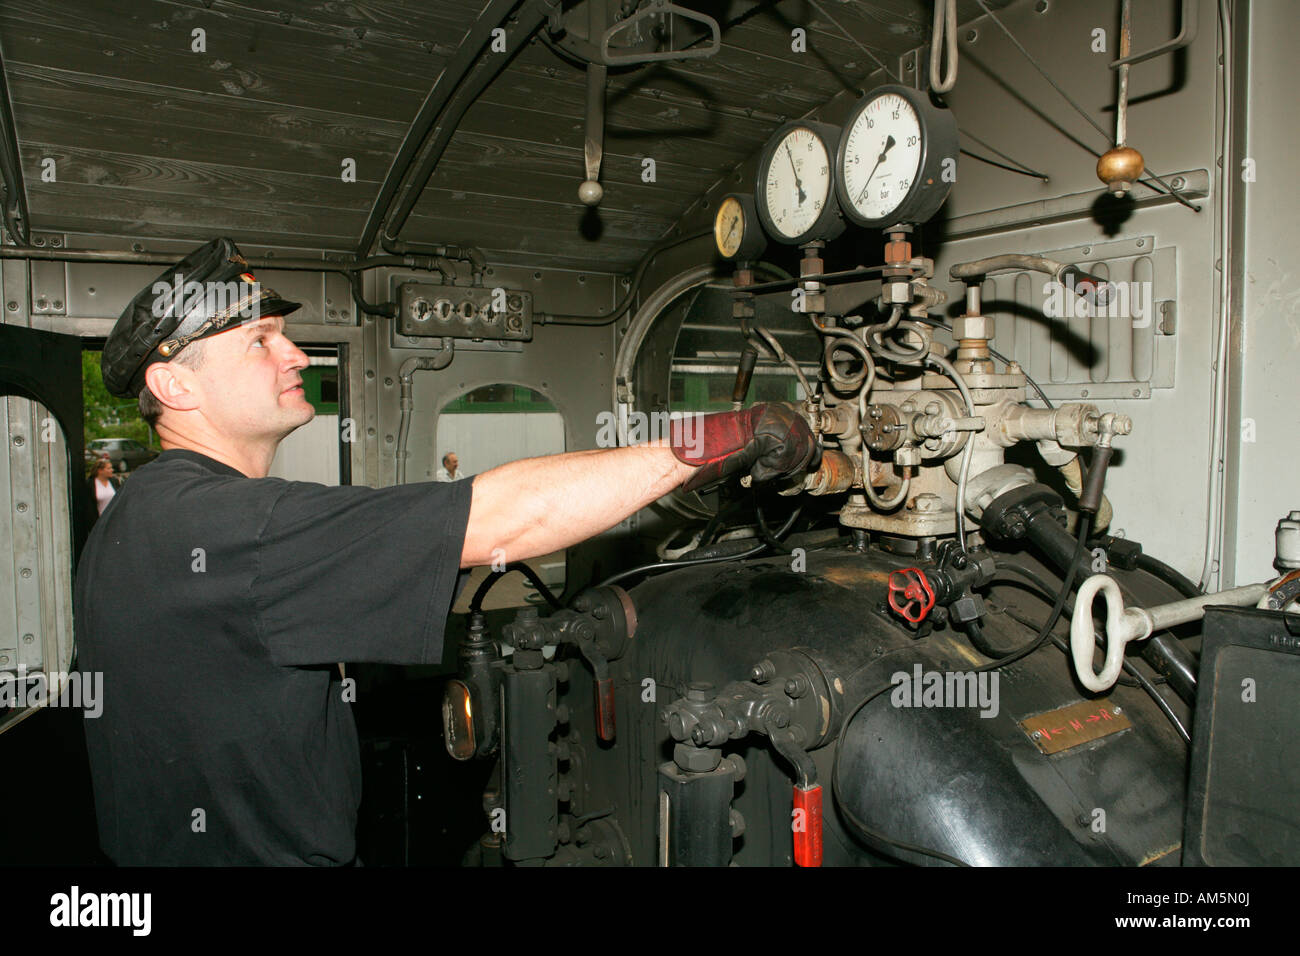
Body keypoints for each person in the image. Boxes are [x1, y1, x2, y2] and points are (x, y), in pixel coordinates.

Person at [75, 237, 816, 866]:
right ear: (172, 384)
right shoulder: (216, 524)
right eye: (260, 342)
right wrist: (729, 436)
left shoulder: (150, 514)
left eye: (285, 335)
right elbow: (503, 521)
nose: (295, 353)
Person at [85, 456, 122, 529]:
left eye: (111, 468)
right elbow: (88, 506)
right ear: (100, 471)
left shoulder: (114, 481)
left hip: (114, 520)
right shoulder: (90, 484)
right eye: (109, 468)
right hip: (99, 522)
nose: (112, 470)